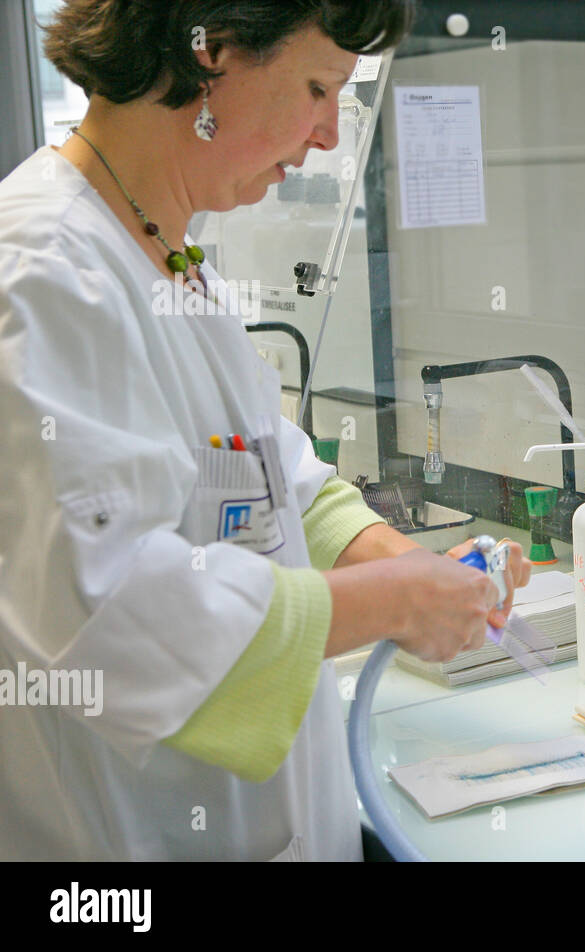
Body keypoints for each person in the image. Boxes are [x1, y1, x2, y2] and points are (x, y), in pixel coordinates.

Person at [0, 0, 530, 860]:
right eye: (318, 87)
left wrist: (403, 562)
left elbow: (265, 486)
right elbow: (116, 615)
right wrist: (395, 602)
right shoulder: (41, 275)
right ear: (212, 52)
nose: (328, 134)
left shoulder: (168, 256)